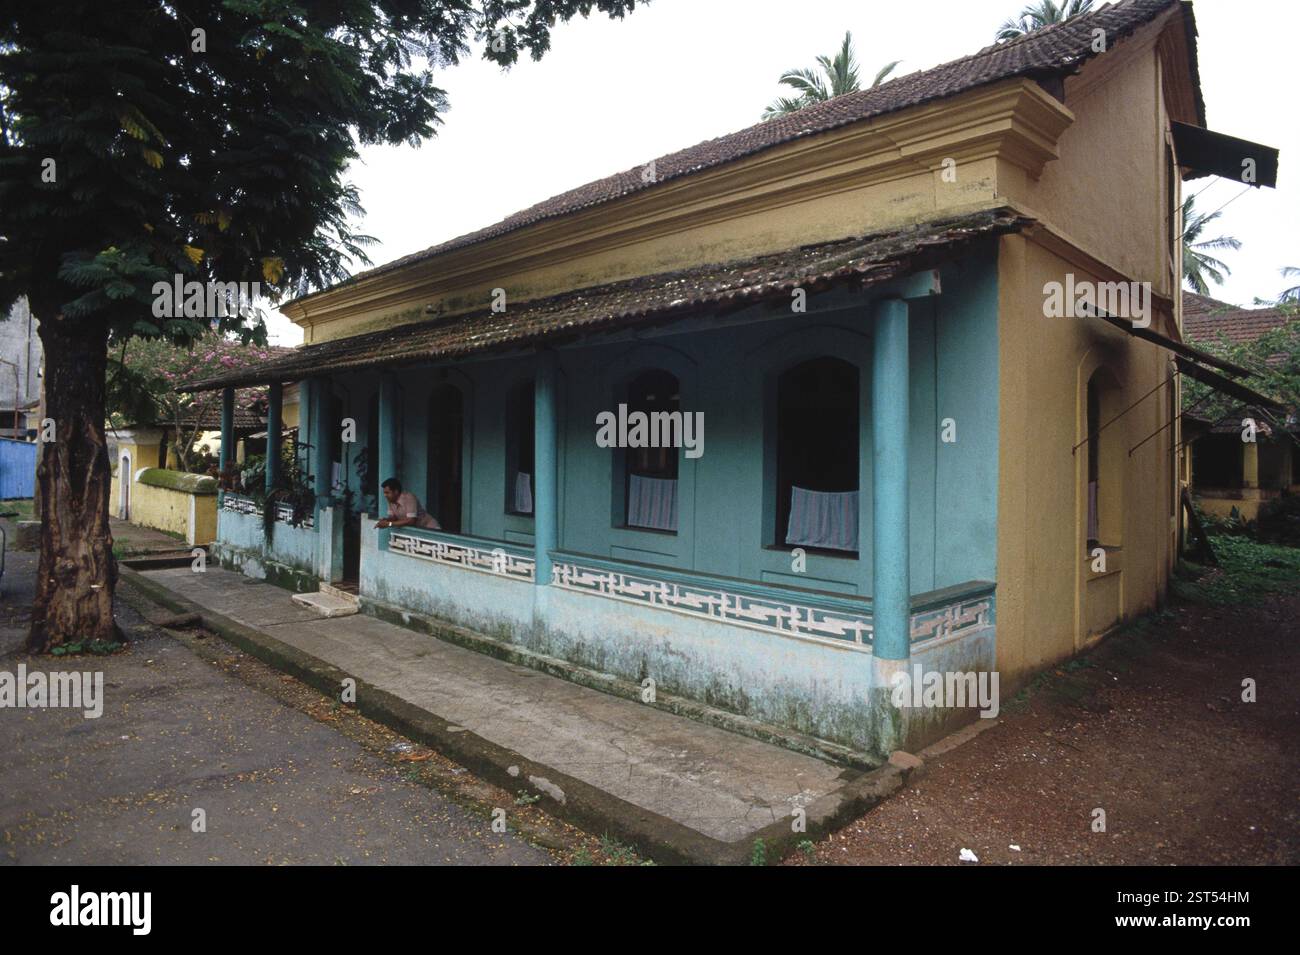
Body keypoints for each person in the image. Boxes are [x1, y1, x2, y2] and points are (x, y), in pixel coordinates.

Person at [375, 477, 440, 530]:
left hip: (430, 527)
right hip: (418, 530)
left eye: (387, 493)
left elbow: (411, 521)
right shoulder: (391, 500)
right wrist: (385, 520)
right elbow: (393, 517)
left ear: (396, 491)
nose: (385, 495)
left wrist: (389, 524)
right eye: (384, 493)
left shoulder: (409, 498)